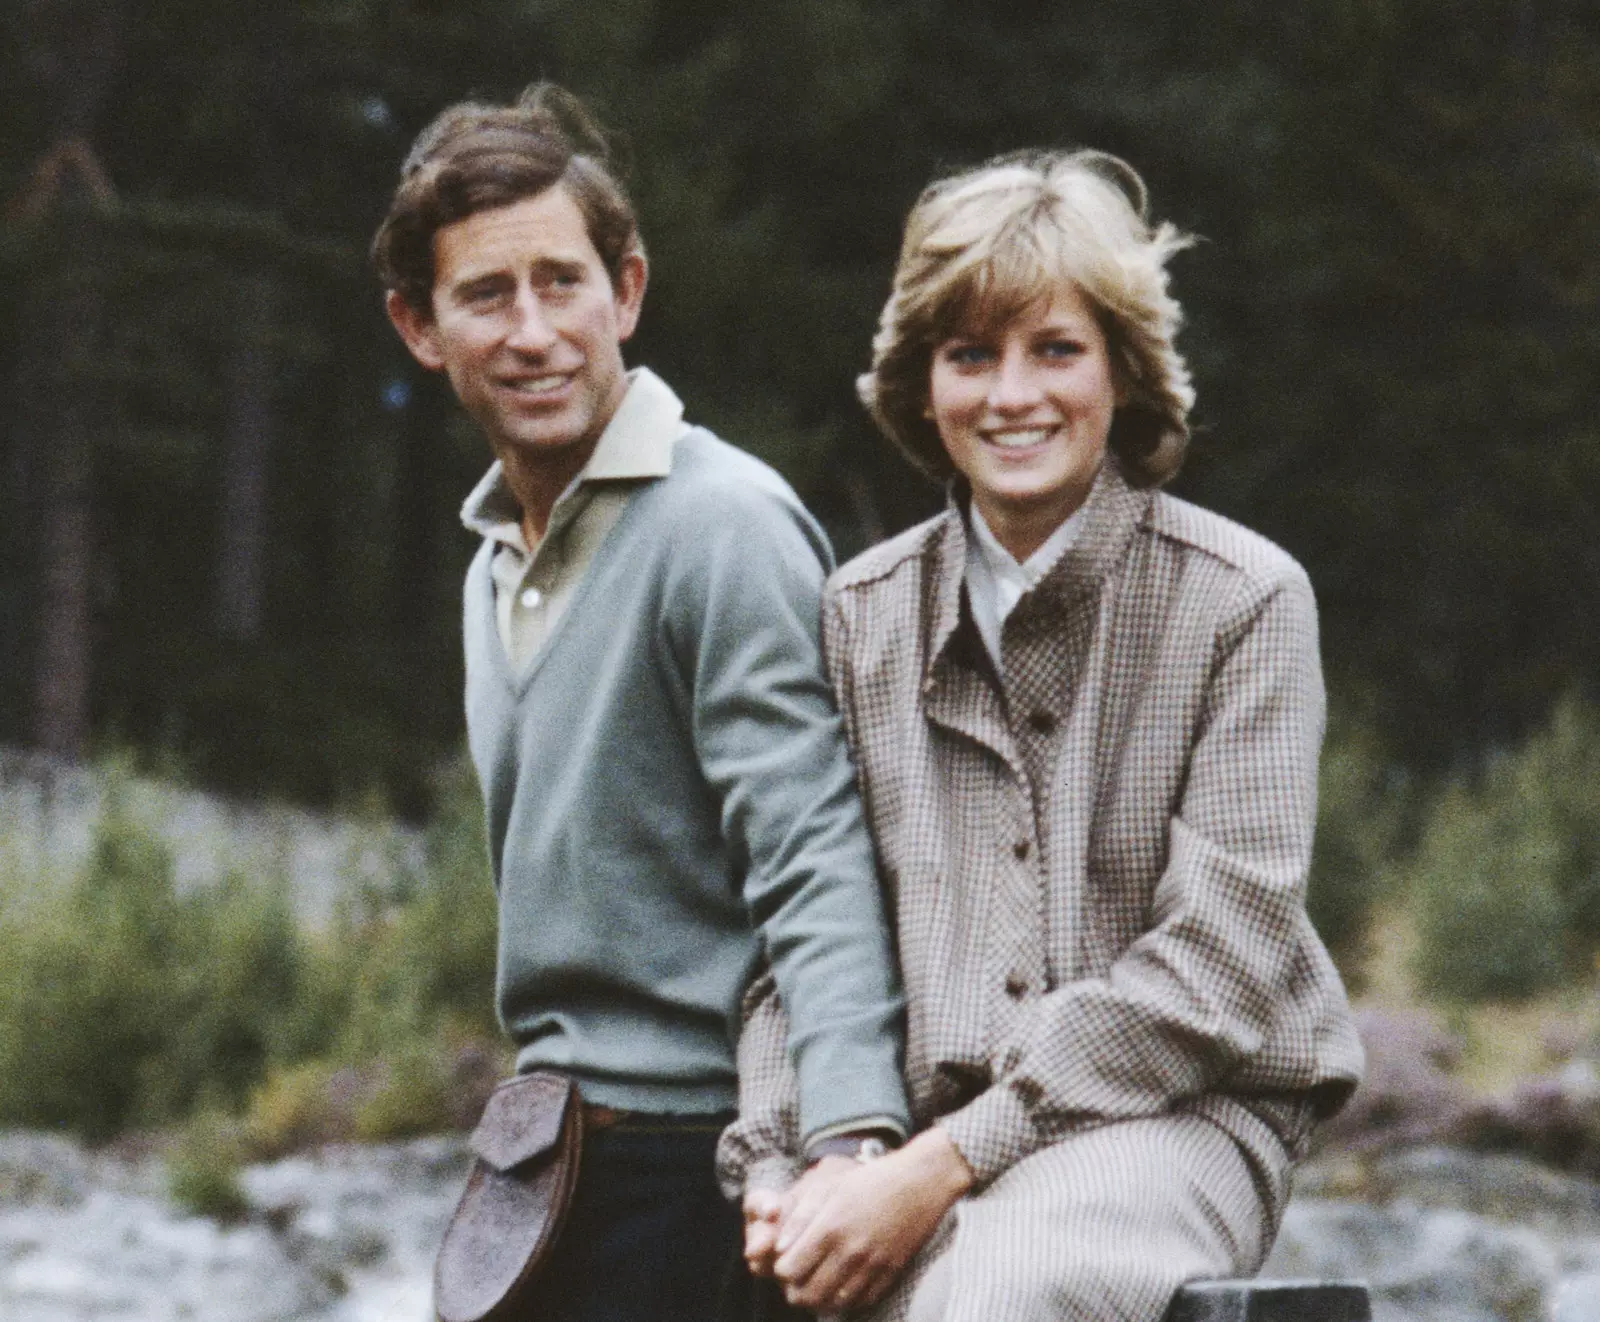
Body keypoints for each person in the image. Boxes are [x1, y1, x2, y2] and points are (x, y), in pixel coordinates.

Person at [721, 148, 1364, 1322]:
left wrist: (942, 1163)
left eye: (1055, 349)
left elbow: (1216, 969)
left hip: (1179, 1115)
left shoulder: (1247, 599)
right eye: (971, 355)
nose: (1013, 395)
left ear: (1123, 370)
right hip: (913, 1127)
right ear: (922, 385)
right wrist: (779, 1165)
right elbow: (799, 939)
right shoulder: (856, 614)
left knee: (992, 1294)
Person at [373, 83, 910, 1322]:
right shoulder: (491, 560)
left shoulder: (717, 524)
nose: (531, 331)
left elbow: (814, 852)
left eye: (561, 282)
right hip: (548, 1153)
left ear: (626, 291)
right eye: (485, 295)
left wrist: (848, 1143)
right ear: (419, 326)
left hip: (710, 1162)